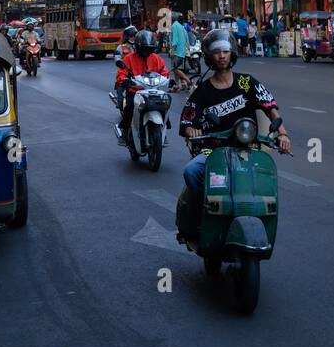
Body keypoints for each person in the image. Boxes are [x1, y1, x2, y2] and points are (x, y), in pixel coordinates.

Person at [179, 29, 291, 223]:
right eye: (216, 52)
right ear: (209, 56)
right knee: (191, 171)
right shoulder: (203, 91)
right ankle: (201, 213)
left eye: (225, 51)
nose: (221, 56)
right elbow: (188, 121)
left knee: (266, 182)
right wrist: (191, 130)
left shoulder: (246, 83)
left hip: (248, 149)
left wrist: (283, 134)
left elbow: (270, 106)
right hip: (213, 152)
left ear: (231, 53)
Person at [114, 29, 170, 143]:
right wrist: (124, 80)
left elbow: (164, 72)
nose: (146, 51)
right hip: (135, 91)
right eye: (144, 48)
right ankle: (125, 131)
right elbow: (121, 73)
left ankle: (163, 130)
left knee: (166, 101)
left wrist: (168, 79)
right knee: (129, 106)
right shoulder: (129, 58)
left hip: (153, 90)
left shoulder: (157, 59)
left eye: (148, 48)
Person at [170, 13, 192, 91]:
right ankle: (177, 85)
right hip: (182, 51)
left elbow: (175, 39)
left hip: (177, 51)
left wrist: (172, 50)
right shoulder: (182, 27)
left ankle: (188, 81)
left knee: (175, 69)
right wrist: (187, 49)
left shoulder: (174, 26)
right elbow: (186, 39)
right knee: (178, 69)